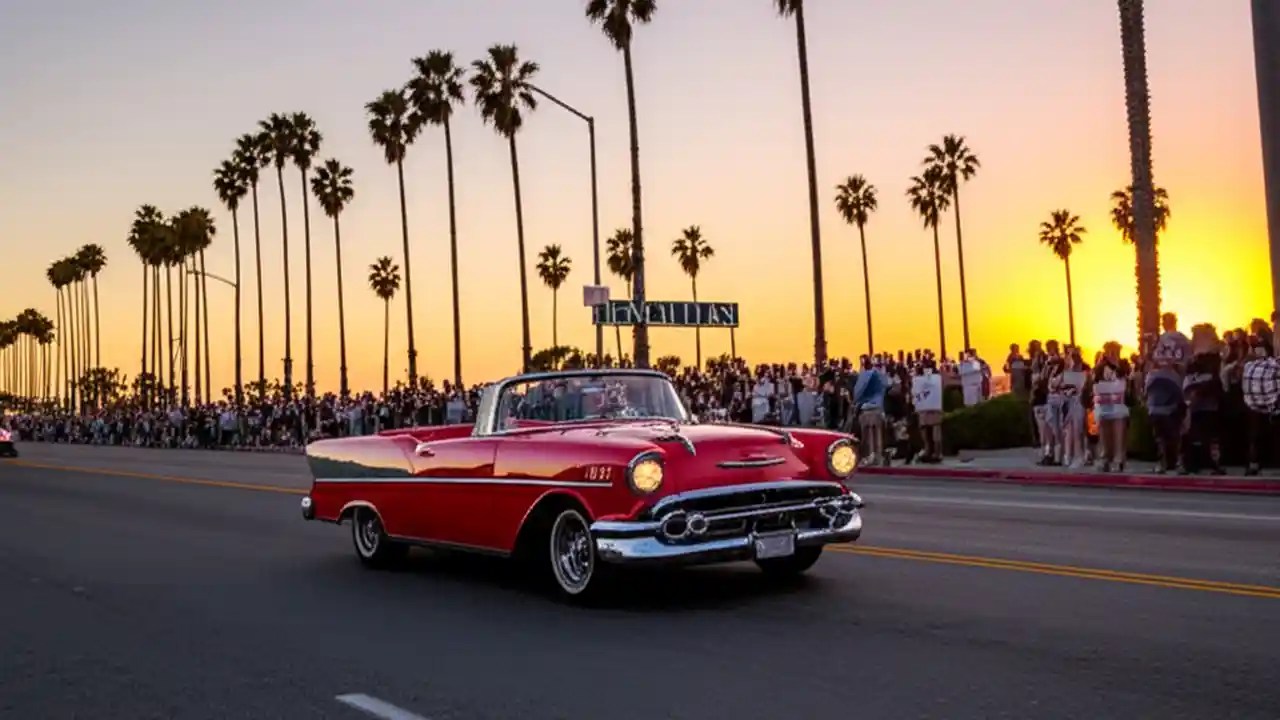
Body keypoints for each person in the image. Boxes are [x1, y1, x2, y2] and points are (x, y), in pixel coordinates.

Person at [1092, 358, 1129, 472]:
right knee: (1105, 437)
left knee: (1118, 436)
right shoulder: (1098, 383)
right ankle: (1105, 458)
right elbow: (1096, 398)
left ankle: (1118, 459)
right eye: (1106, 371)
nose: (1108, 373)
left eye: (1111, 371)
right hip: (1104, 411)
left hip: (1118, 412)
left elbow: (1123, 395)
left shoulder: (1121, 381)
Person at [853, 355, 888, 466]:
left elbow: (857, 393)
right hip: (878, 407)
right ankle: (878, 456)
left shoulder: (864, 376)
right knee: (877, 433)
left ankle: (871, 456)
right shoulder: (879, 375)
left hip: (866, 408)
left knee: (868, 434)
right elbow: (886, 387)